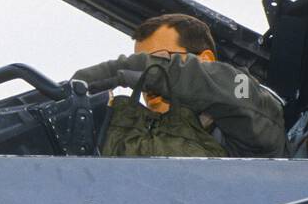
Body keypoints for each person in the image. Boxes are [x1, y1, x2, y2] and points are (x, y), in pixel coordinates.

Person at [73, 13, 286, 158]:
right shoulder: (137, 135)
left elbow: (232, 93)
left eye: (162, 59)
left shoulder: (250, 116)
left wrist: (126, 68)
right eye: (144, 61)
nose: (145, 80)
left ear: (205, 60)